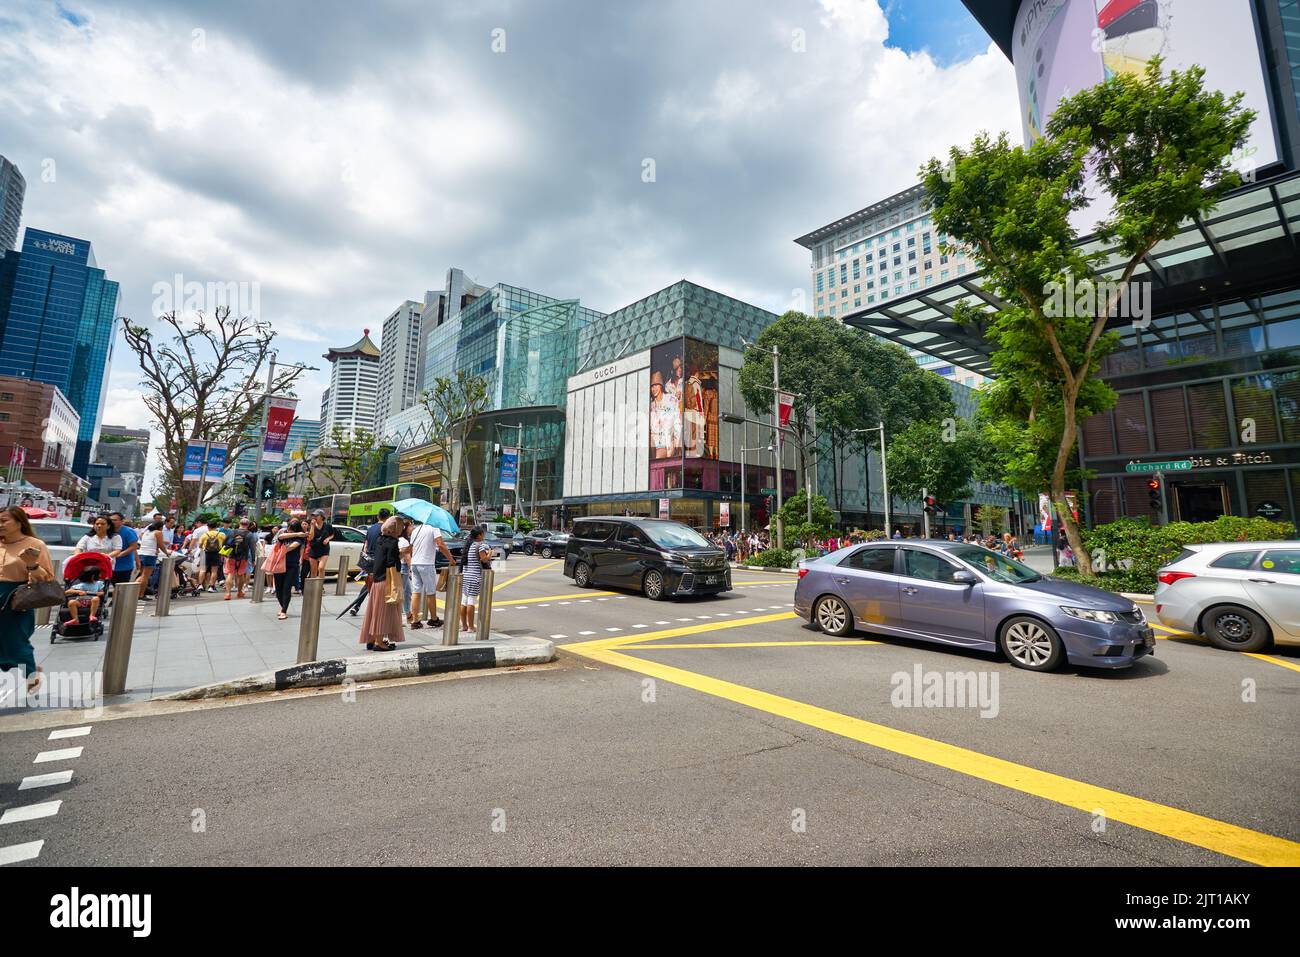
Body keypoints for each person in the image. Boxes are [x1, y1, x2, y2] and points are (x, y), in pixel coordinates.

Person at [0, 506, 56, 694]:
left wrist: (32, 565)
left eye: (4, 520)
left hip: (16, 600)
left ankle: (31, 673)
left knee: (15, 641)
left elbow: (47, 577)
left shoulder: (35, 544)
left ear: (19, 522)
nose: (0, 525)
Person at [358, 515, 405, 652]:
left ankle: (371, 639)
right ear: (394, 529)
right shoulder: (392, 542)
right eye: (400, 527)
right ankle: (379, 642)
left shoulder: (380, 539)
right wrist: (400, 557)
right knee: (382, 613)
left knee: (374, 611)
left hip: (377, 580)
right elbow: (391, 562)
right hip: (386, 581)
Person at [407, 516, 455, 630]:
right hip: (426, 564)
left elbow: (411, 548)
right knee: (430, 592)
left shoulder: (416, 530)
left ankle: (415, 621)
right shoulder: (434, 528)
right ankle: (434, 619)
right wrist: (451, 559)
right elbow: (441, 544)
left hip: (415, 563)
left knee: (416, 592)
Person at [459, 524, 493, 635]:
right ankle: (470, 627)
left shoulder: (470, 545)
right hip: (475, 576)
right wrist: (490, 554)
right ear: (479, 535)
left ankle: (464, 625)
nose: (484, 535)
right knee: (471, 601)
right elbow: (484, 559)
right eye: (483, 533)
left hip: (467, 575)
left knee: (464, 601)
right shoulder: (481, 545)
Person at [270, 518, 306, 620]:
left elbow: (290, 547)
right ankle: (282, 607)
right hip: (278, 563)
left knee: (286, 588)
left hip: (291, 565)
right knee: (278, 589)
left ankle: (284, 610)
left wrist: (298, 535)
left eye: (291, 529)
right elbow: (280, 537)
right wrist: (297, 534)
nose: (289, 530)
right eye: (289, 528)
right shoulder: (287, 533)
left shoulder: (301, 538)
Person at [222, 518, 254, 600]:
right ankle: (239, 592)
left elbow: (224, 543)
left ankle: (228, 594)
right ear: (248, 525)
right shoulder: (250, 534)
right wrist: (253, 559)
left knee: (230, 574)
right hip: (243, 557)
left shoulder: (232, 532)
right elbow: (252, 548)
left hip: (232, 556)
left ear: (239, 523)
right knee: (240, 575)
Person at [108, 512, 140, 588]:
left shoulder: (129, 532)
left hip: (124, 566)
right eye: (111, 520)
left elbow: (133, 547)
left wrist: (118, 555)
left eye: (115, 520)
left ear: (121, 521)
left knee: (121, 588)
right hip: (109, 565)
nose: (112, 522)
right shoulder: (107, 531)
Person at [307, 510, 334, 579]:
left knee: (321, 568)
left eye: (316, 515)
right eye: (314, 516)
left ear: (322, 517)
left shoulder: (328, 526)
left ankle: (320, 586)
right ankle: (314, 587)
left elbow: (332, 535)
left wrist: (328, 539)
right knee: (313, 571)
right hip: (313, 549)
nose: (314, 517)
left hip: (324, 549)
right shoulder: (311, 526)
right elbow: (310, 538)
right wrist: (312, 526)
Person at [200, 521, 225, 592]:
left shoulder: (204, 535)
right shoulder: (221, 535)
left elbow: (200, 545)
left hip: (206, 553)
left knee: (203, 570)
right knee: (214, 571)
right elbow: (224, 544)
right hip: (217, 554)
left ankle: (200, 585)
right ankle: (211, 586)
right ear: (216, 527)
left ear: (208, 527)